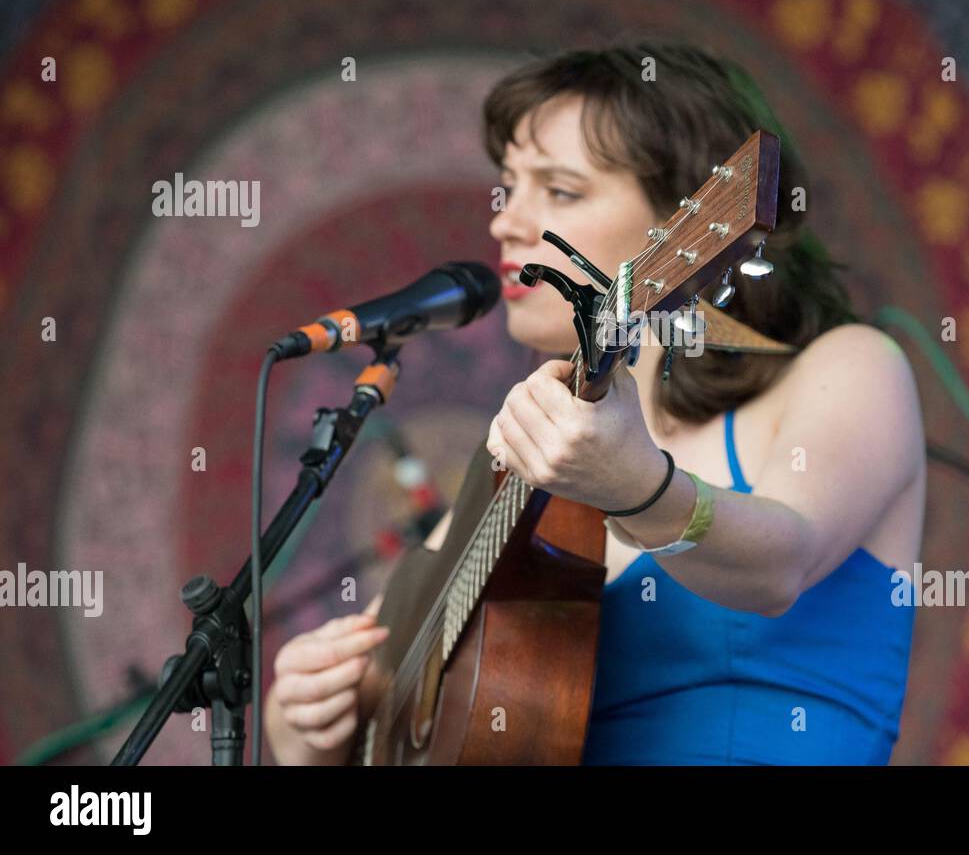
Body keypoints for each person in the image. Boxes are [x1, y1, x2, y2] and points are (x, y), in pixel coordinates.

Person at [265, 40, 925, 766]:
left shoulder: (851, 367)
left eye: (559, 190)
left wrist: (639, 488)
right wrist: (309, 732)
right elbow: (399, 707)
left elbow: (780, 568)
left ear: (682, 225)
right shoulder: (516, 464)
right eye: (509, 185)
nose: (506, 223)